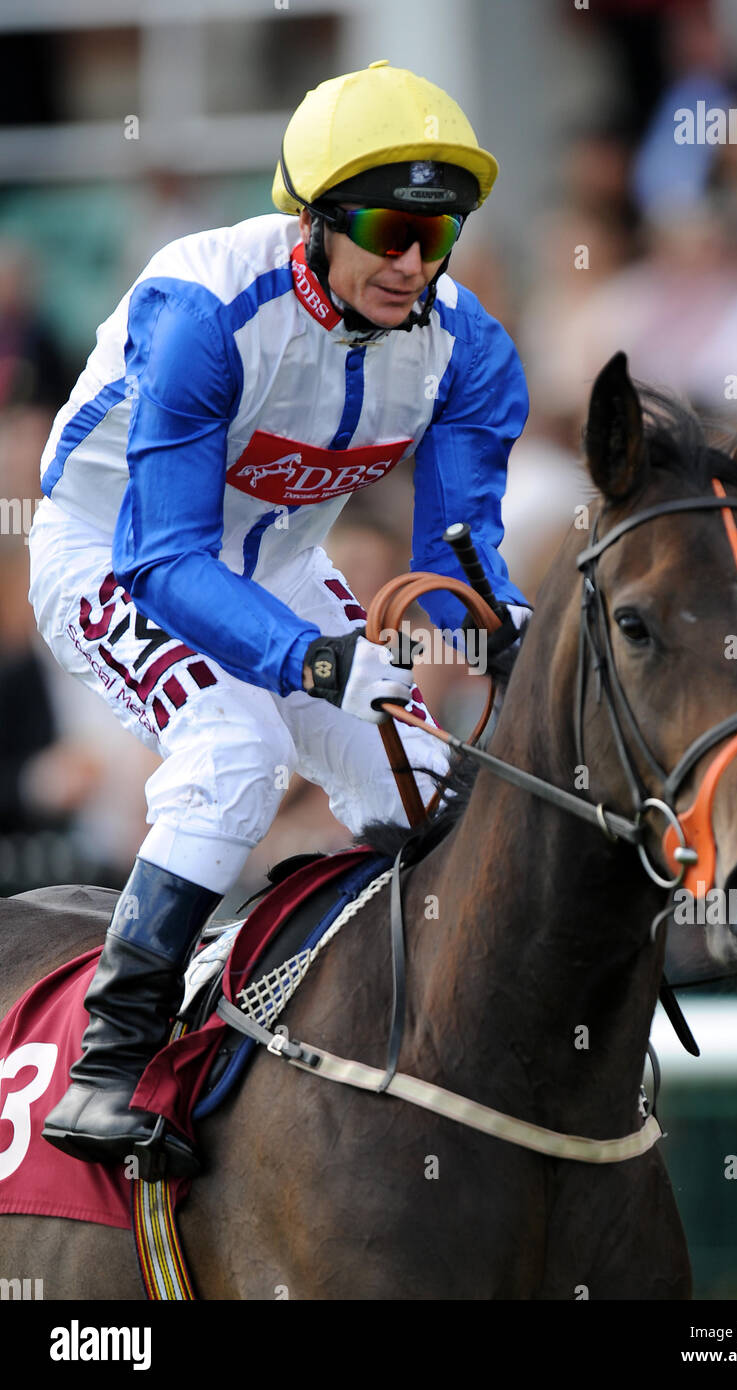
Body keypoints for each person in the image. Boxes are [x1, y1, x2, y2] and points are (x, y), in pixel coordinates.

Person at [29, 60, 532, 1178]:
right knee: (236, 748)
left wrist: (499, 620)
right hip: (115, 554)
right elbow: (163, 556)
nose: (414, 262)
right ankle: (107, 1067)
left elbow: (456, 555)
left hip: (282, 562)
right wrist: (305, 659)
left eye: (437, 235)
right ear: (312, 220)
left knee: (422, 786)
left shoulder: (471, 351)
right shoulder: (200, 304)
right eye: (390, 229)